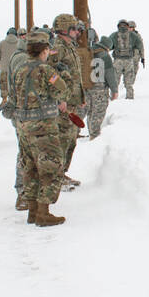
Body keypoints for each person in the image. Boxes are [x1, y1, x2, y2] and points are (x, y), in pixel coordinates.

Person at [10, 35, 69, 226]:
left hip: (23, 125)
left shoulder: (19, 69)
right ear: (44, 51)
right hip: (43, 125)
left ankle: (33, 210)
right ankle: (44, 212)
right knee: (52, 165)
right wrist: (63, 75)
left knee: (31, 167)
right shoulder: (45, 70)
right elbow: (62, 90)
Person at [49, 14, 87, 188]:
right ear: (65, 30)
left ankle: (62, 173)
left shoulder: (69, 47)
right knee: (62, 139)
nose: (77, 32)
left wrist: (80, 98)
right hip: (63, 104)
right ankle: (56, 177)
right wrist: (60, 99)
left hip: (71, 102)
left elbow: (74, 75)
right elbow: (51, 74)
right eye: (73, 29)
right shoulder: (58, 47)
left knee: (71, 139)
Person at [87, 32, 119, 139]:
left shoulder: (89, 51)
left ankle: (91, 131)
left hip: (87, 86)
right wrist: (114, 90)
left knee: (90, 111)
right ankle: (94, 135)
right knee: (98, 111)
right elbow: (110, 74)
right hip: (100, 87)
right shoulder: (105, 55)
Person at [102, 20, 142, 100]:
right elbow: (139, 45)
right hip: (129, 61)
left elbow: (108, 46)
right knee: (129, 81)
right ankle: (130, 97)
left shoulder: (114, 35)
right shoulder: (133, 35)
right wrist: (139, 56)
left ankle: (113, 96)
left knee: (115, 80)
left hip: (118, 60)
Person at [0, 27, 21, 108]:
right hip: (16, 69)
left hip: (4, 69)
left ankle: (4, 100)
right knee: (16, 86)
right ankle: (15, 102)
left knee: (3, 85)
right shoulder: (19, 43)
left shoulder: (2, 43)